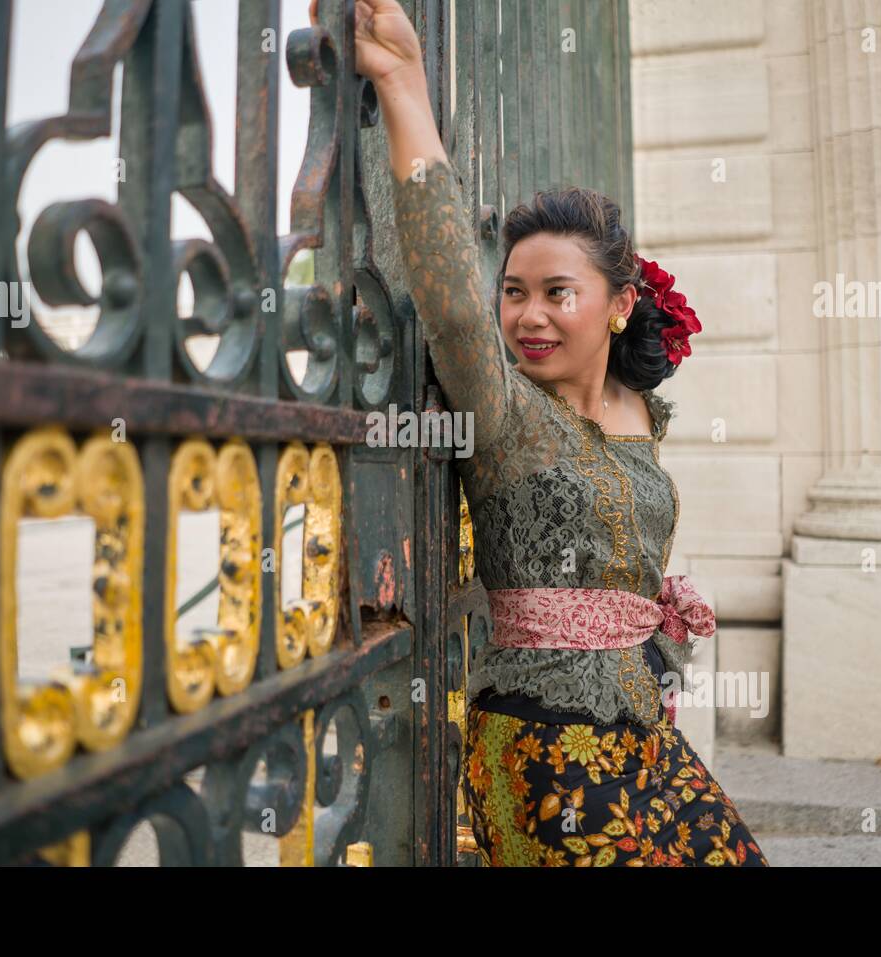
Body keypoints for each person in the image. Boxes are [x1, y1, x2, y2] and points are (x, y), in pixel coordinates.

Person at [316, 0, 768, 866]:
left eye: (557, 292)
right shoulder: (506, 411)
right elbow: (451, 299)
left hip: (645, 735)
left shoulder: (640, 411)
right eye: (515, 290)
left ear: (621, 303)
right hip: (539, 744)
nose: (527, 314)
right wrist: (404, 82)